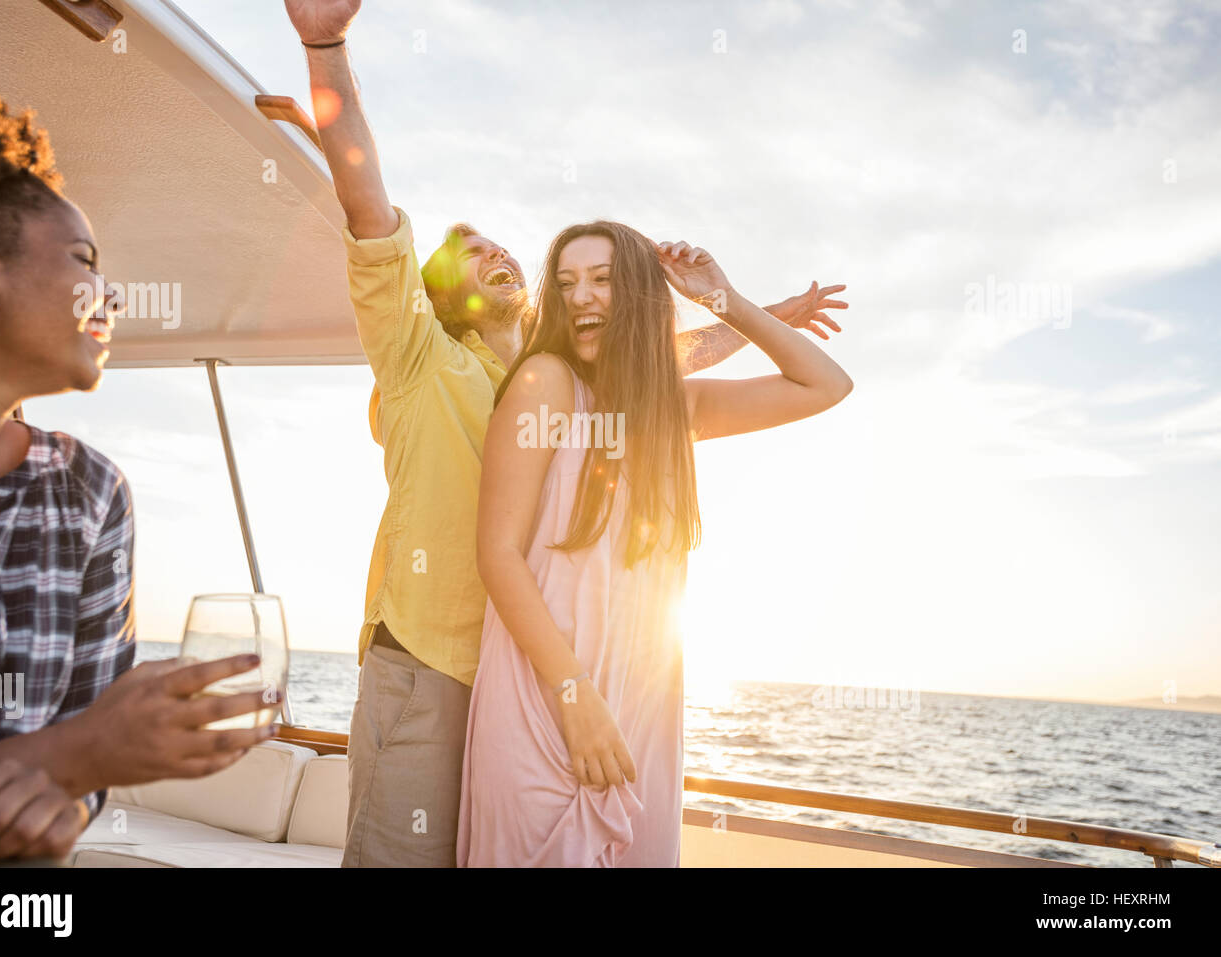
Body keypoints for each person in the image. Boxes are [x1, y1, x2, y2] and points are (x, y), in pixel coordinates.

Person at [282, 0, 847, 867]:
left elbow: (668, 361)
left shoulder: (571, 381)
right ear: (440, 295)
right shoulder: (421, 358)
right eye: (471, 256)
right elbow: (370, 213)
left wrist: (752, 308)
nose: (496, 253)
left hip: (526, 671)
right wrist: (326, 49)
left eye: (501, 243)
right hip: (434, 665)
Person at [0, 90, 277, 867]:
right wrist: (75, 755)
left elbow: (75, 796)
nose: (111, 294)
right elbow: (82, 748)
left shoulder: (88, 493)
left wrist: (57, 809)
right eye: (84, 261)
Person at [458, 224, 852, 866]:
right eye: (566, 283)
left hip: (642, 708)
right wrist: (575, 699)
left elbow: (826, 386)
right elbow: (497, 554)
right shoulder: (546, 381)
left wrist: (723, 299)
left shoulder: (676, 411)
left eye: (603, 279)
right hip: (548, 699)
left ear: (641, 294)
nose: (581, 296)